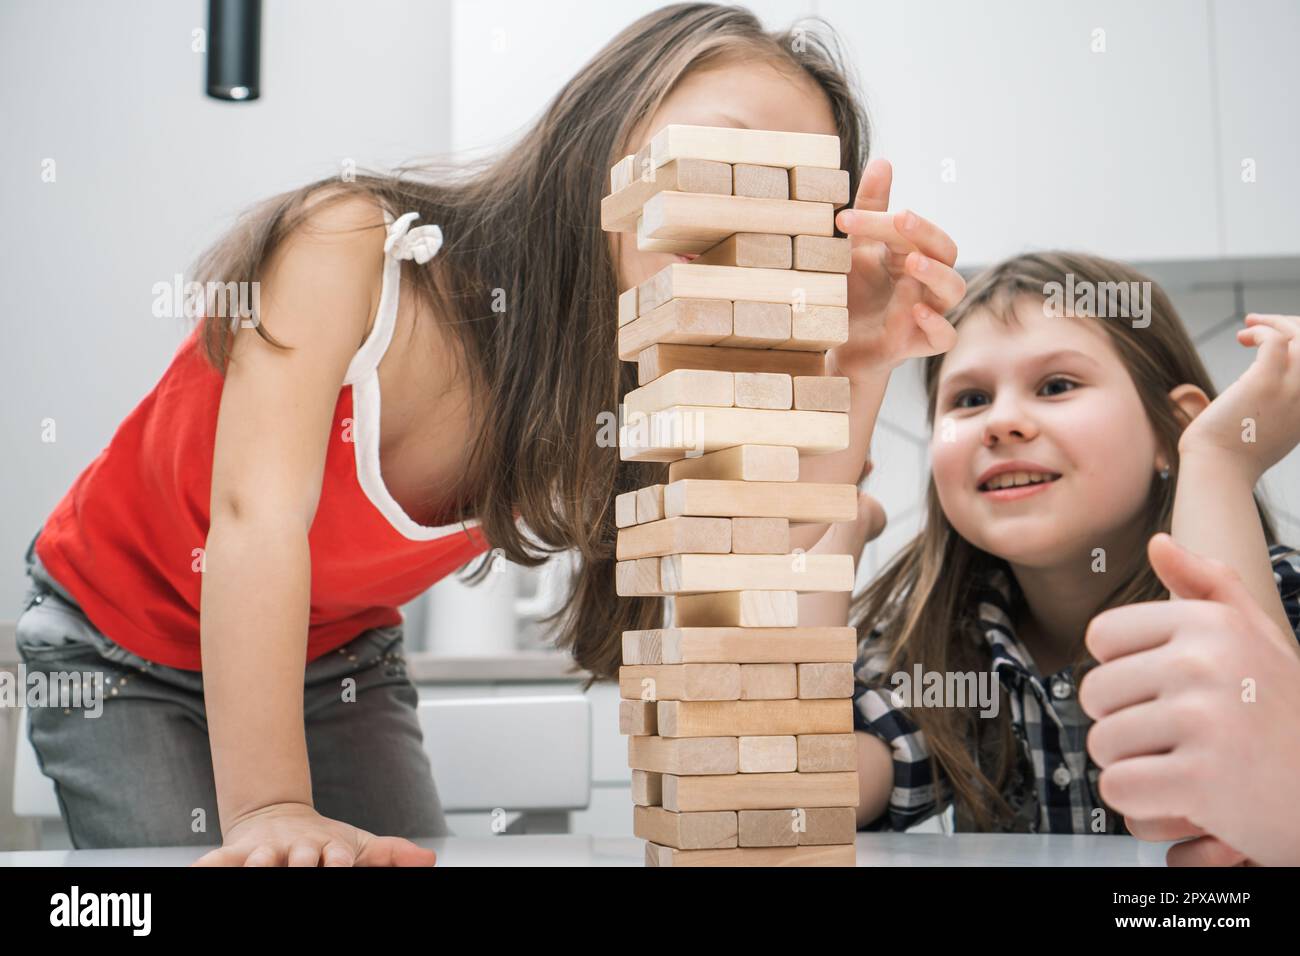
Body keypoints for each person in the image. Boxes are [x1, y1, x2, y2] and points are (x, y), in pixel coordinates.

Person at [15, 3, 960, 866]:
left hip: (334, 656)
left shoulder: (644, 379)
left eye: (790, 202)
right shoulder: (354, 250)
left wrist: (858, 364)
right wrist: (268, 808)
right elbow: (252, 519)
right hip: (115, 637)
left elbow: (768, 567)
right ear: (608, 129)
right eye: (726, 155)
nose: (741, 212)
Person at [845, 251, 1300, 837]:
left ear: (1176, 430)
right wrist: (829, 522)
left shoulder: (1282, 599)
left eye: (1056, 386)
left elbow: (1249, 785)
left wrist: (1218, 461)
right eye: (970, 399)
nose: (1001, 422)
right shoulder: (939, 646)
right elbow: (796, 799)